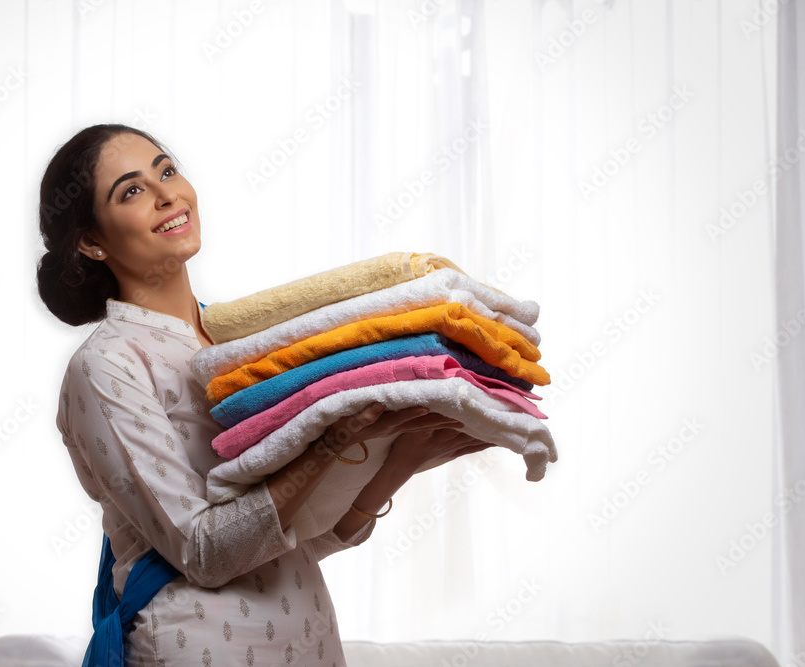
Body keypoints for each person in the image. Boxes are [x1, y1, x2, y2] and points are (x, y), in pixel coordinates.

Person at [36, 123, 492, 666]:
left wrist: (403, 460)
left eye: (166, 170)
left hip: (310, 638)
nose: (166, 195)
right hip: (196, 646)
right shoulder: (107, 364)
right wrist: (325, 443)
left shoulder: (243, 343)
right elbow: (203, 553)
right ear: (91, 241)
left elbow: (301, 539)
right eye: (131, 191)